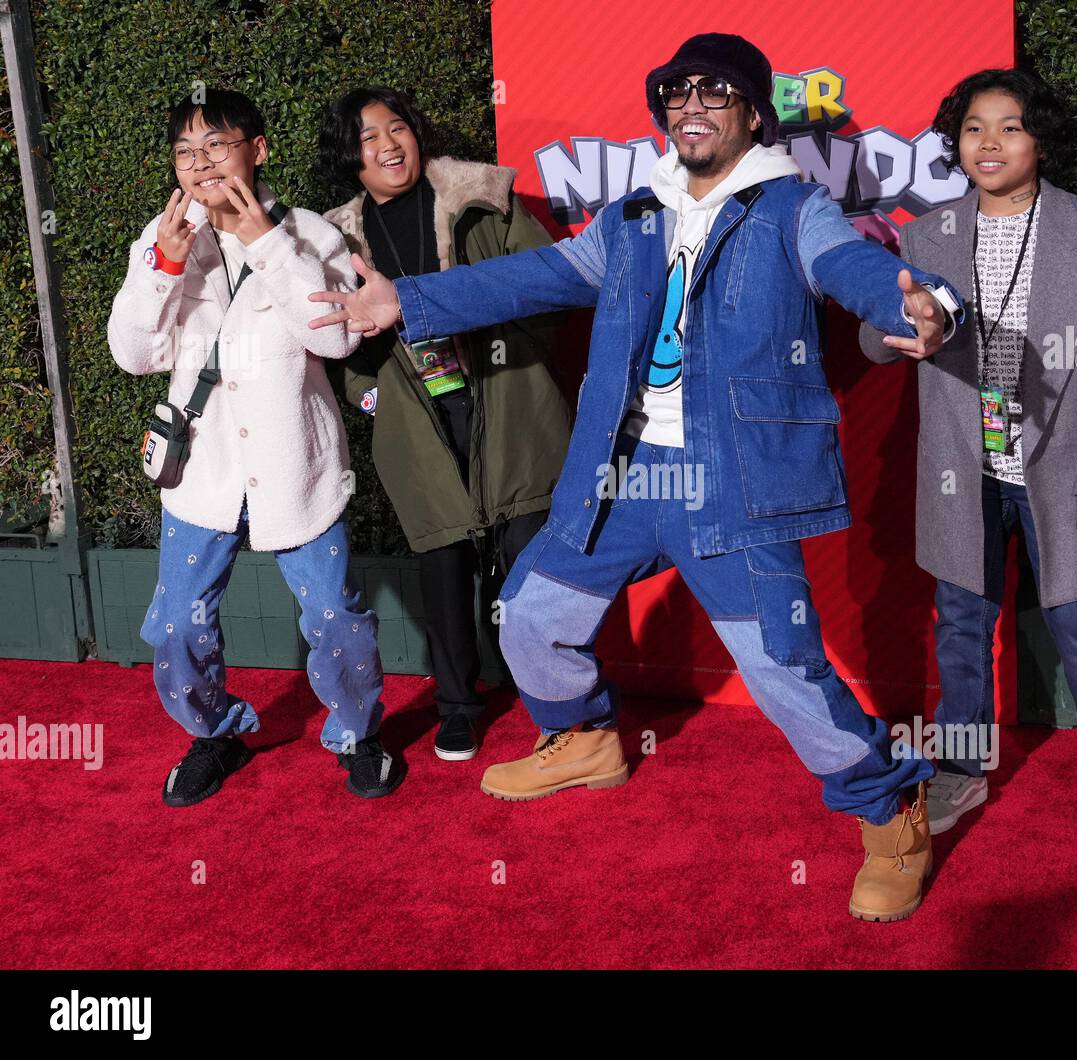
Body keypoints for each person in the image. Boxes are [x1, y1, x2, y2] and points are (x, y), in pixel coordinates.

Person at [309, 34, 966, 922]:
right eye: (677, 92)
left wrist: (912, 303)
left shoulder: (792, 207)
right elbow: (537, 275)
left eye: (715, 91)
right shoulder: (633, 218)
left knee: (784, 671)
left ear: (753, 113)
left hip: (732, 481)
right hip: (621, 475)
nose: (692, 105)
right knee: (531, 618)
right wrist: (408, 301)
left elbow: (853, 266)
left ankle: (891, 812)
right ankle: (584, 737)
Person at [859, 68, 1077, 847]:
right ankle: (962, 770)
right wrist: (904, 323)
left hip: (1066, 469)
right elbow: (874, 340)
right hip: (966, 470)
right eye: (973, 128)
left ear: (1040, 140)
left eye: (1010, 127)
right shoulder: (926, 235)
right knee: (960, 628)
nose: (989, 143)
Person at [108, 89, 403, 805]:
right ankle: (215, 734)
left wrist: (267, 244)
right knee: (176, 624)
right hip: (202, 473)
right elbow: (133, 355)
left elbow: (337, 337)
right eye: (186, 151)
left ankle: (358, 735)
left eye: (217, 144)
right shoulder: (162, 236)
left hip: (295, 467)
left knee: (334, 616)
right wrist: (163, 268)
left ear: (257, 149)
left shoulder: (310, 234)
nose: (201, 162)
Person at [316, 88, 568, 762]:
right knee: (444, 560)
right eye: (368, 138)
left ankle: (556, 702)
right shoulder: (336, 241)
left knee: (529, 558)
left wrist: (523, 359)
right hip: (417, 416)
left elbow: (550, 281)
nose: (388, 145)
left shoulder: (483, 199)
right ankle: (457, 706)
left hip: (507, 400)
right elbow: (335, 340)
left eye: (396, 128)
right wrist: (373, 398)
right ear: (349, 157)